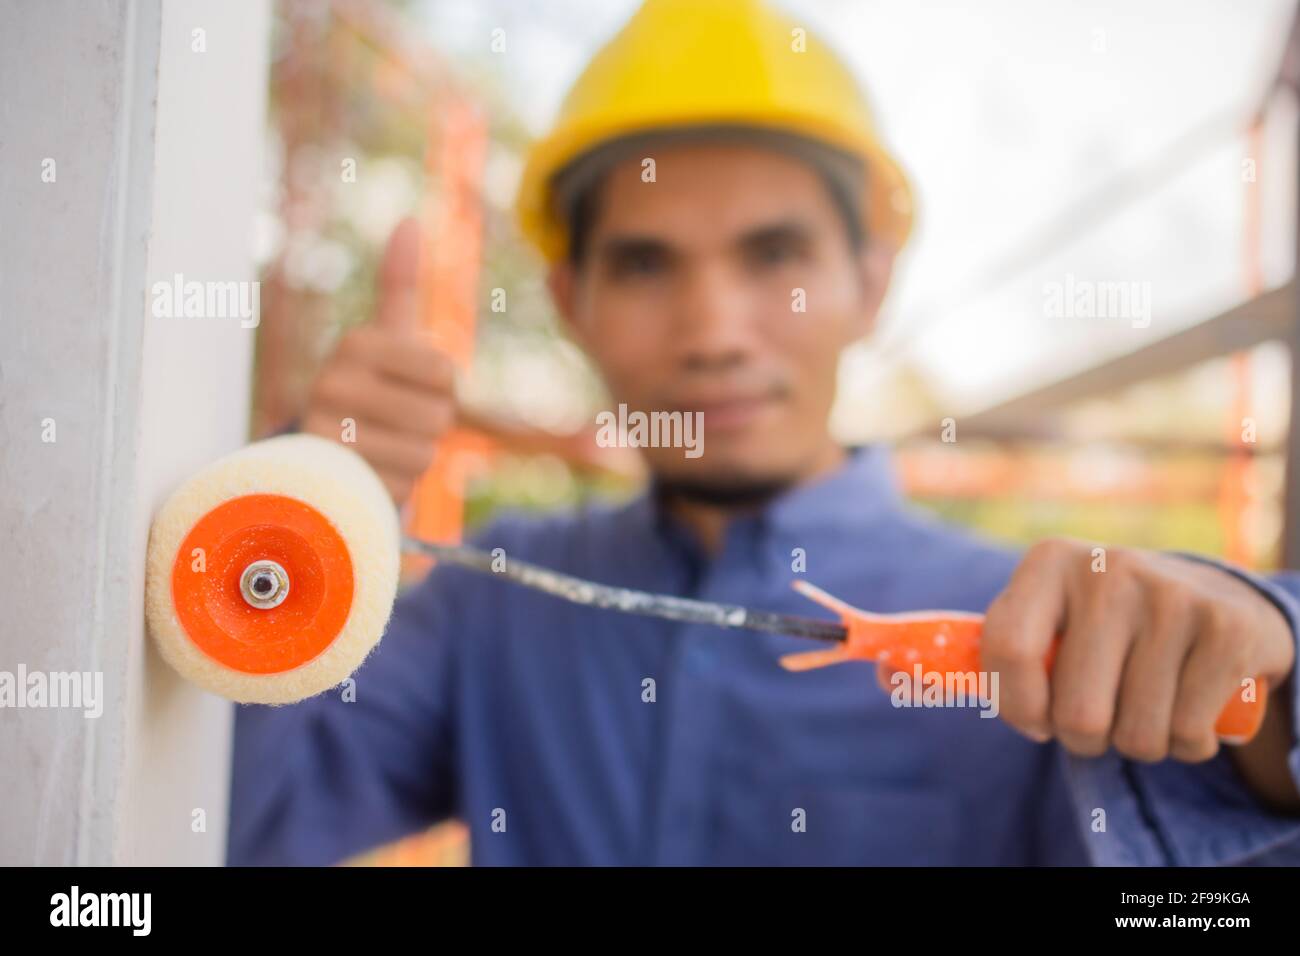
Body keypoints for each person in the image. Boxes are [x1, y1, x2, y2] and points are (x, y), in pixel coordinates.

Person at [229, 0, 1300, 865]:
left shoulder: (1030, 641)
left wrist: (1271, 675)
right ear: (569, 297)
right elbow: (219, 826)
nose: (713, 333)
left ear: (867, 283)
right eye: (646, 264)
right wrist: (292, 530)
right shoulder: (485, 607)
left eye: (773, 255)